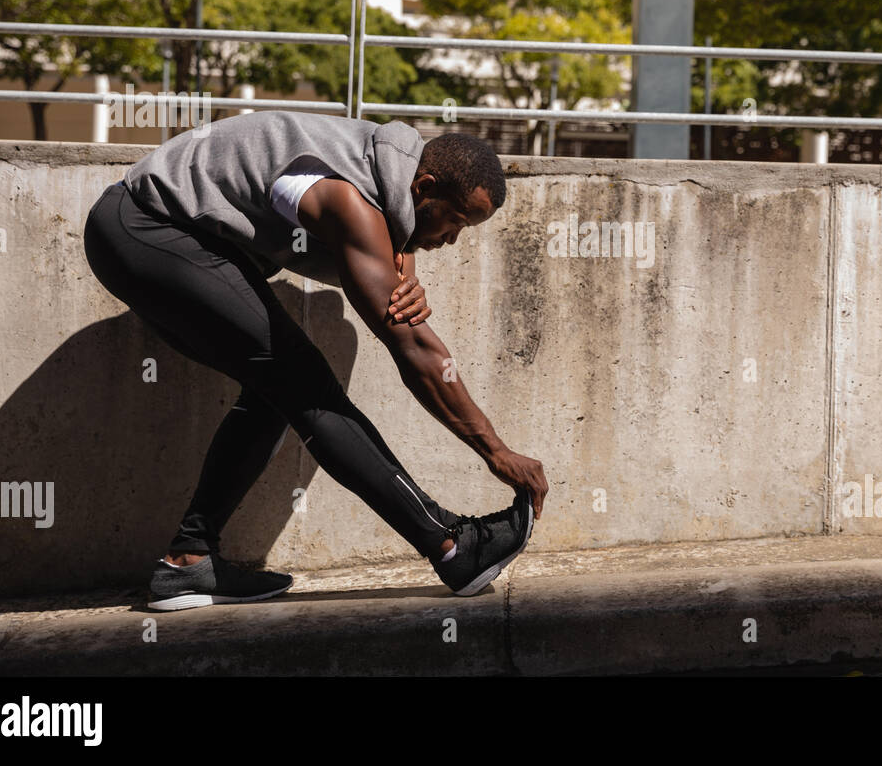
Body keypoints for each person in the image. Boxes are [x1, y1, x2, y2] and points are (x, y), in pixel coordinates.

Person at [82, 110, 548, 609]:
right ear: (424, 188)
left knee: (273, 391)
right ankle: (452, 545)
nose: (452, 240)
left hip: (151, 234)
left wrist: (405, 260)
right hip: (147, 227)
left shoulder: (388, 164)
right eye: (454, 221)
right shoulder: (343, 195)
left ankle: (189, 562)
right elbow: (412, 347)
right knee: (307, 387)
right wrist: (494, 449)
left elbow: (395, 221)